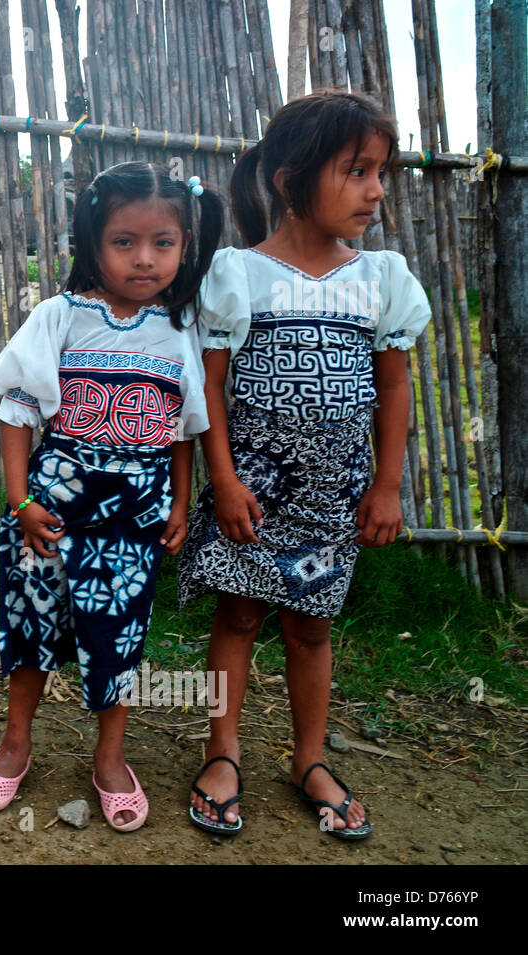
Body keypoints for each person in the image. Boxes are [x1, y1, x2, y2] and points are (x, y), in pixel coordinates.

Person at [177, 91, 432, 839]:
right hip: (250, 491)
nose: (376, 189)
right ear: (290, 181)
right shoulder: (237, 274)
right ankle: (222, 750)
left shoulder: (380, 278)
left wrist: (386, 485)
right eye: (356, 171)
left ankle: (308, 757)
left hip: (334, 494)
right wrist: (222, 480)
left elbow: (392, 385)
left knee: (313, 627)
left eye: (380, 171)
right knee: (238, 612)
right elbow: (211, 387)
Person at [0, 161, 222, 831]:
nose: (145, 258)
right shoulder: (59, 317)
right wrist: (21, 501)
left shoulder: (177, 329)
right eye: (124, 241)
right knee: (30, 625)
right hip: (50, 511)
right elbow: (15, 412)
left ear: (184, 245)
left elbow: (183, 428)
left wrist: (178, 503)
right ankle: (16, 740)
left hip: (134, 518)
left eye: (163, 242)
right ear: (91, 240)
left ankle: (110, 756)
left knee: (118, 635)